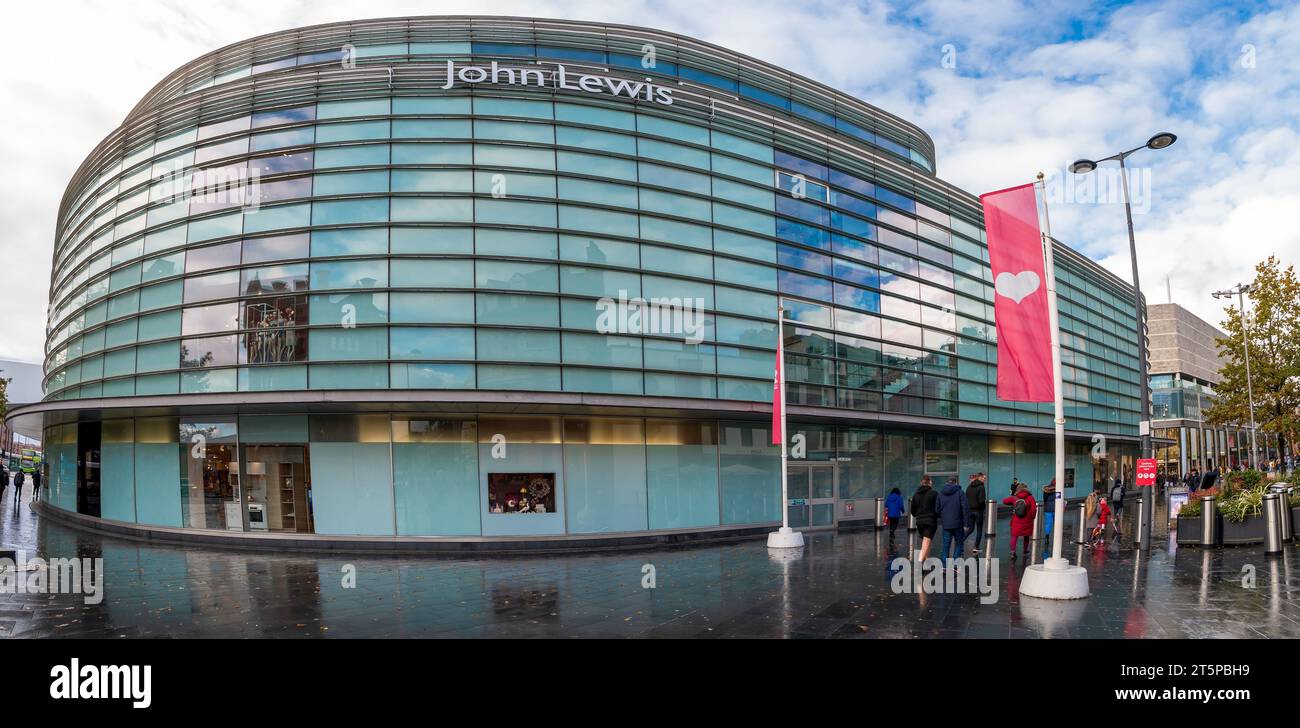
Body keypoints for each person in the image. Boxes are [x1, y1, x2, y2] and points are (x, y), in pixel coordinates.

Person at [935, 476, 969, 561]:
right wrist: (966, 523)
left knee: (946, 546)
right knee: (959, 543)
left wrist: (944, 517)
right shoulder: (960, 493)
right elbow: (965, 508)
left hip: (946, 524)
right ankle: (954, 564)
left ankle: (944, 567)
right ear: (956, 483)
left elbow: (937, 510)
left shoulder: (940, 494)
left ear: (947, 482)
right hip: (958, 524)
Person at [1002, 482, 1037, 560]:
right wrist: (1032, 517)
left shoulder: (1015, 497)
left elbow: (1004, 501)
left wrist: (1013, 504)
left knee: (1014, 536)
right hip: (1027, 521)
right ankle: (1025, 550)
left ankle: (1012, 552)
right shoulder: (1030, 497)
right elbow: (1034, 510)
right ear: (1026, 489)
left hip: (1016, 520)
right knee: (1026, 536)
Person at [909, 476, 939, 561]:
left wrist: (918, 515)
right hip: (930, 521)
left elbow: (913, 511)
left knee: (926, 541)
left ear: (921, 483)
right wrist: (937, 515)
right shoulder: (934, 494)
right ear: (930, 483)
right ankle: (919, 561)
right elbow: (938, 508)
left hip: (919, 521)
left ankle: (926, 561)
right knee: (926, 541)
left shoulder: (915, 495)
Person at [965, 473, 987, 555]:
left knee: (970, 529)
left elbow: (966, 499)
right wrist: (983, 507)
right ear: (979, 478)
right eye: (984, 478)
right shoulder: (981, 487)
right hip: (978, 511)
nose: (985, 479)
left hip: (970, 511)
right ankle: (976, 547)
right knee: (979, 529)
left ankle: (960, 541)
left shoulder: (969, 487)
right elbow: (981, 500)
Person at [884, 487, 905, 551]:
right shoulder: (900, 497)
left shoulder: (889, 497)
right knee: (895, 524)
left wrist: (889, 506)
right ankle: (892, 531)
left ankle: (891, 532)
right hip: (896, 514)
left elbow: (886, 504)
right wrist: (903, 510)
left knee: (892, 523)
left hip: (890, 513)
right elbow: (901, 505)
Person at [1041, 479, 1058, 557]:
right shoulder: (1058, 489)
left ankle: (1047, 537)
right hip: (1056, 508)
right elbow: (1058, 499)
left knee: (1048, 523)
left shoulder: (1046, 490)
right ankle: (1057, 537)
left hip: (1048, 508)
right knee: (1057, 523)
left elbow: (1044, 499)